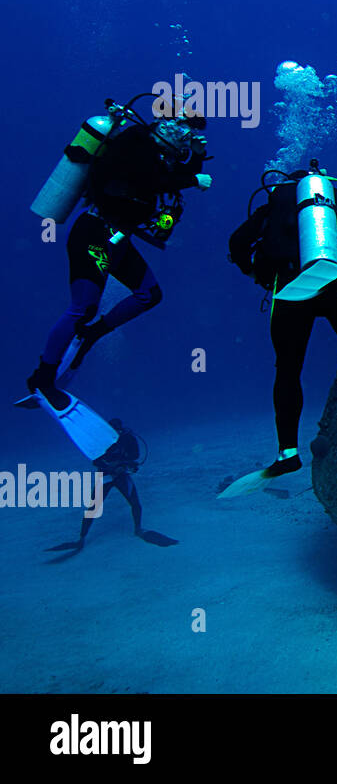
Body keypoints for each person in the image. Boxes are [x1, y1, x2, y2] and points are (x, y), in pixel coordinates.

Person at [27, 103, 212, 411]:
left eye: (191, 131)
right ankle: (42, 379)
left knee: (149, 294)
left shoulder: (156, 152)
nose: (186, 135)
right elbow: (148, 181)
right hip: (95, 231)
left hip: (118, 237)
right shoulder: (134, 140)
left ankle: (90, 336)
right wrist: (193, 179)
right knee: (83, 307)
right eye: (185, 128)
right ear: (166, 123)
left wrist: (197, 157)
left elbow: (172, 177)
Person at [227, 163, 337, 479]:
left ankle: (287, 452)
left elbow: (236, 243)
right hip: (335, 290)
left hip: (290, 290)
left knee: (288, 370)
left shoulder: (272, 207)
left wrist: (253, 273)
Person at [45, 419, 178, 553]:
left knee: (135, 503)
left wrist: (122, 465)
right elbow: (95, 459)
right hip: (106, 476)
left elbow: (135, 455)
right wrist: (112, 467)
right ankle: (82, 538)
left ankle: (138, 529)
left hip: (121, 475)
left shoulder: (128, 438)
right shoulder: (100, 440)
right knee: (94, 507)